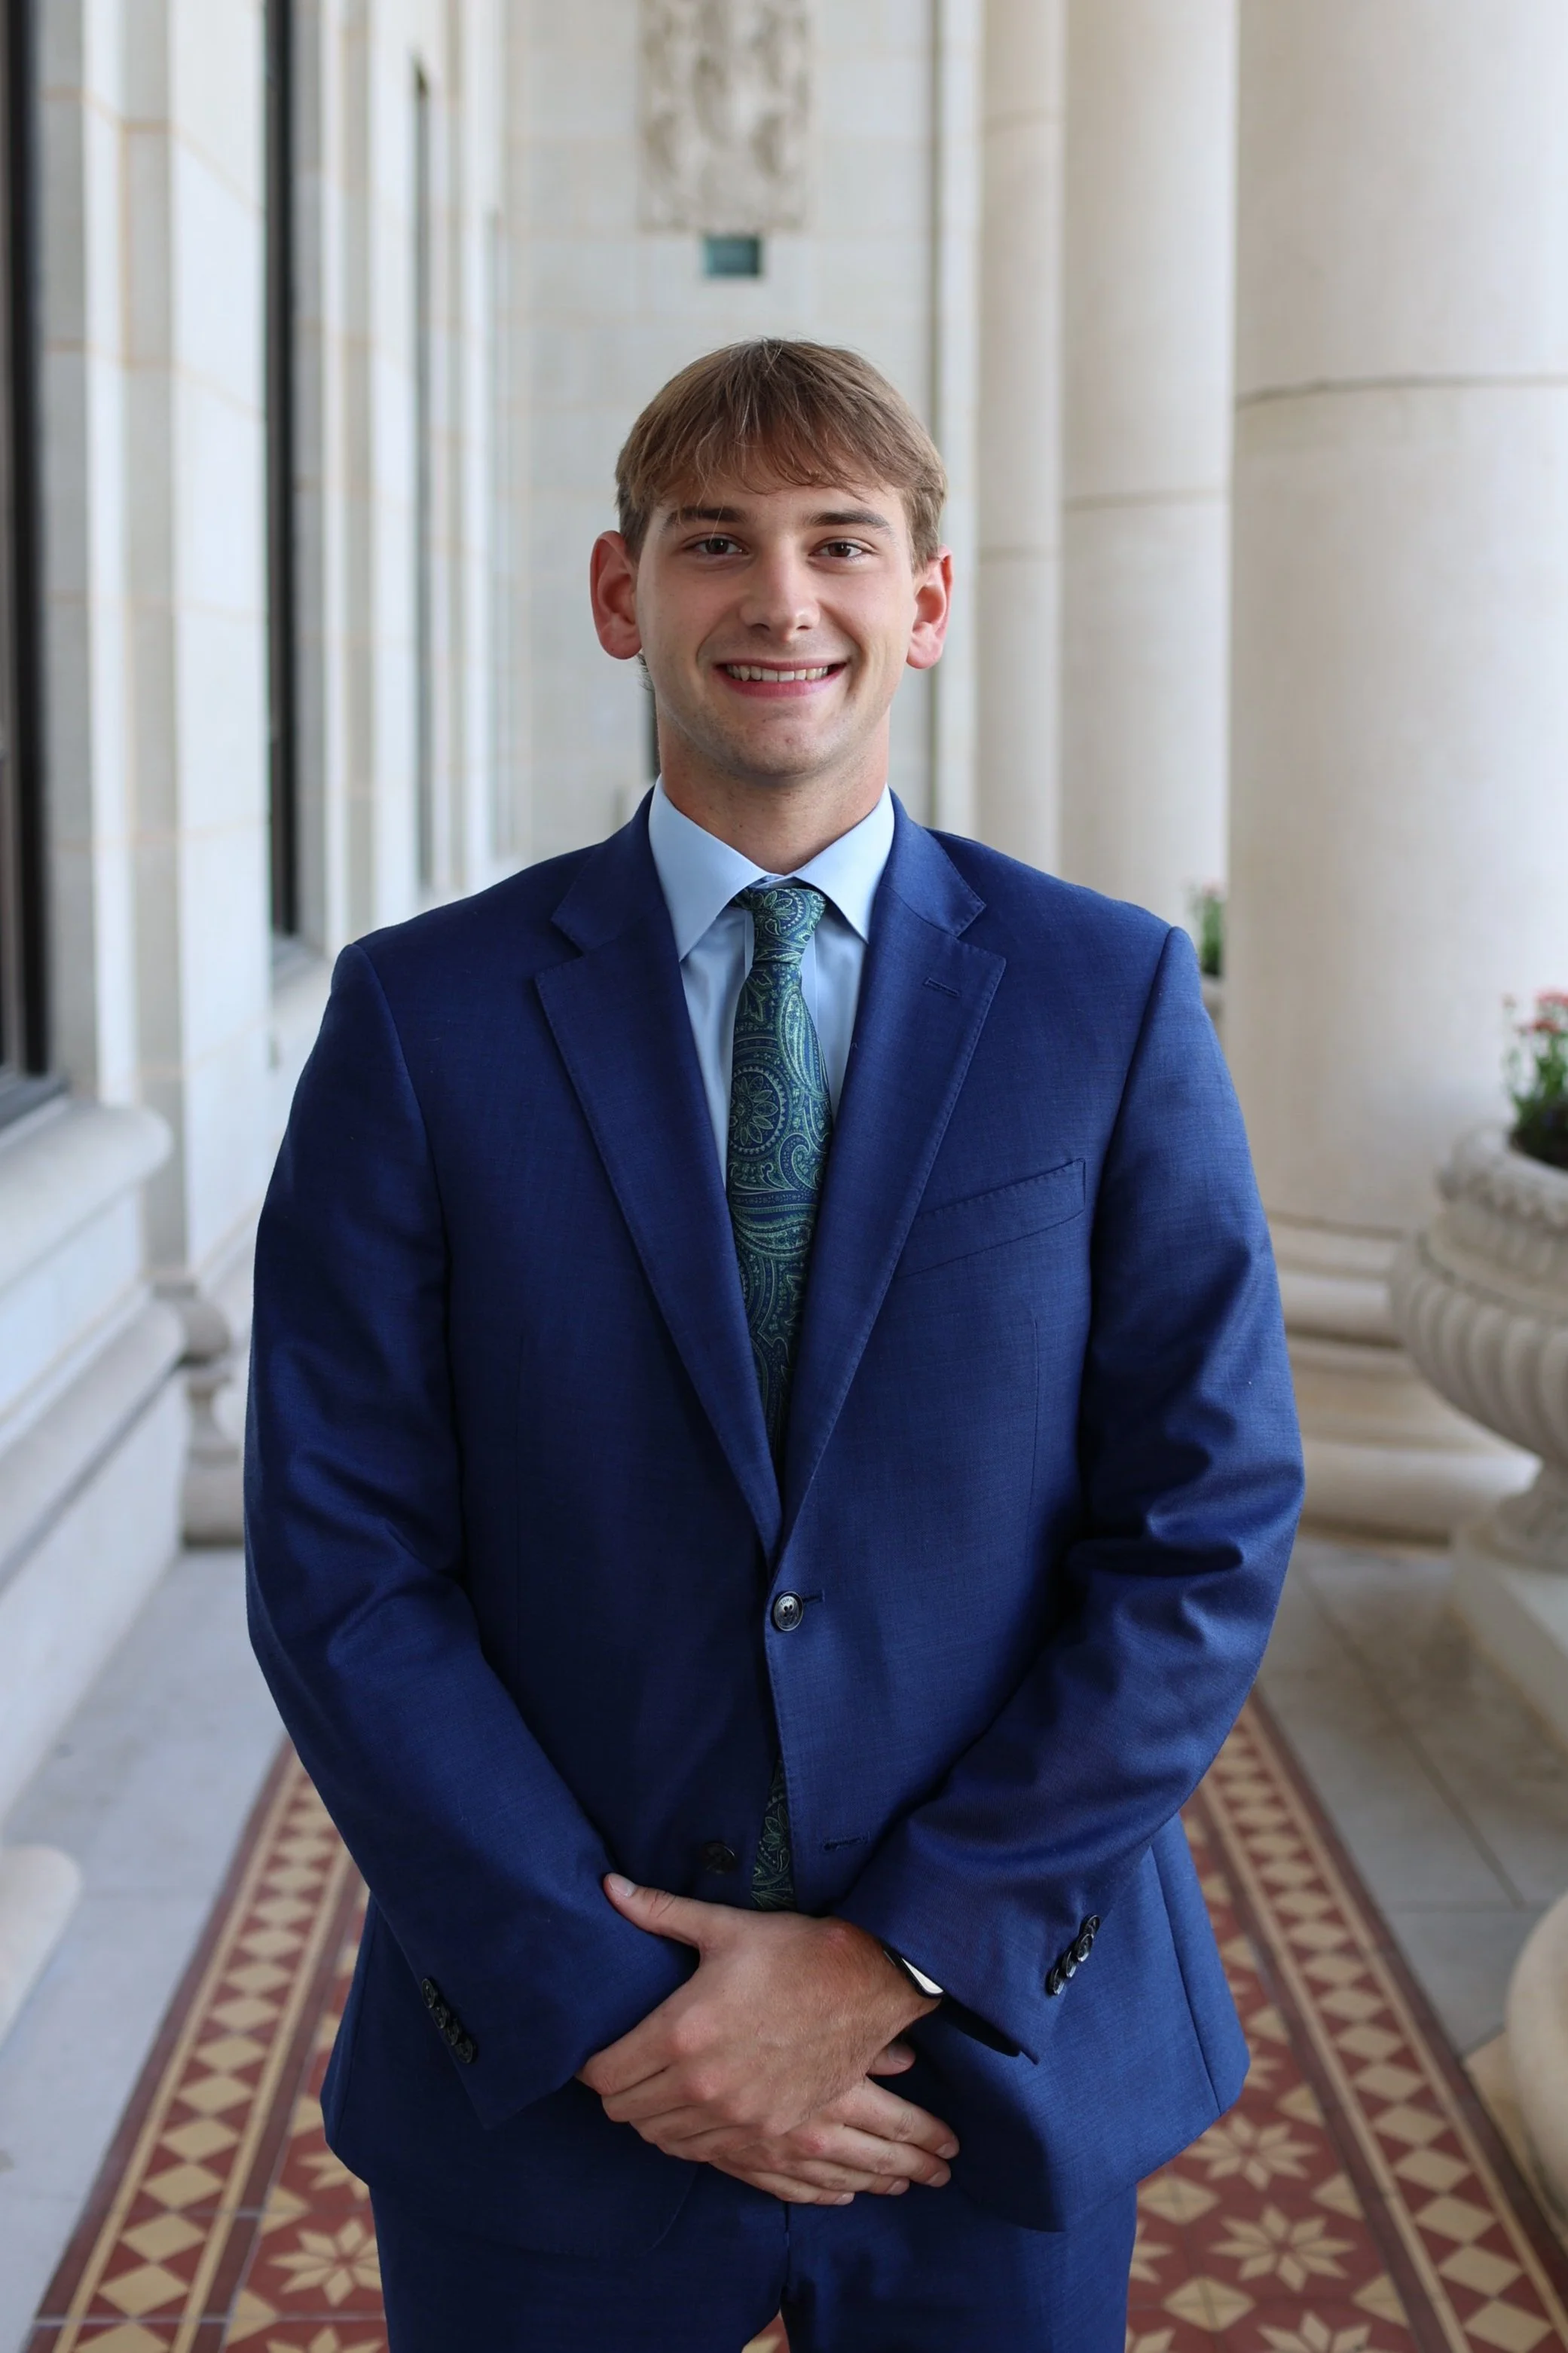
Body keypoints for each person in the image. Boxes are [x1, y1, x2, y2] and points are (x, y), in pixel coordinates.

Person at [246, 337, 1304, 2351]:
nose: (781, 600)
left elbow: (1209, 1520)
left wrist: (888, 1961)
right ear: (619, 592)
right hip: (557, 2065)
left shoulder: (1110, 995)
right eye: (715, 543)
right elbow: (343, 1563)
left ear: (926, 599)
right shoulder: (421, 1018)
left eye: (842, 542)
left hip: (992, 2053)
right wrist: (615, 2003)